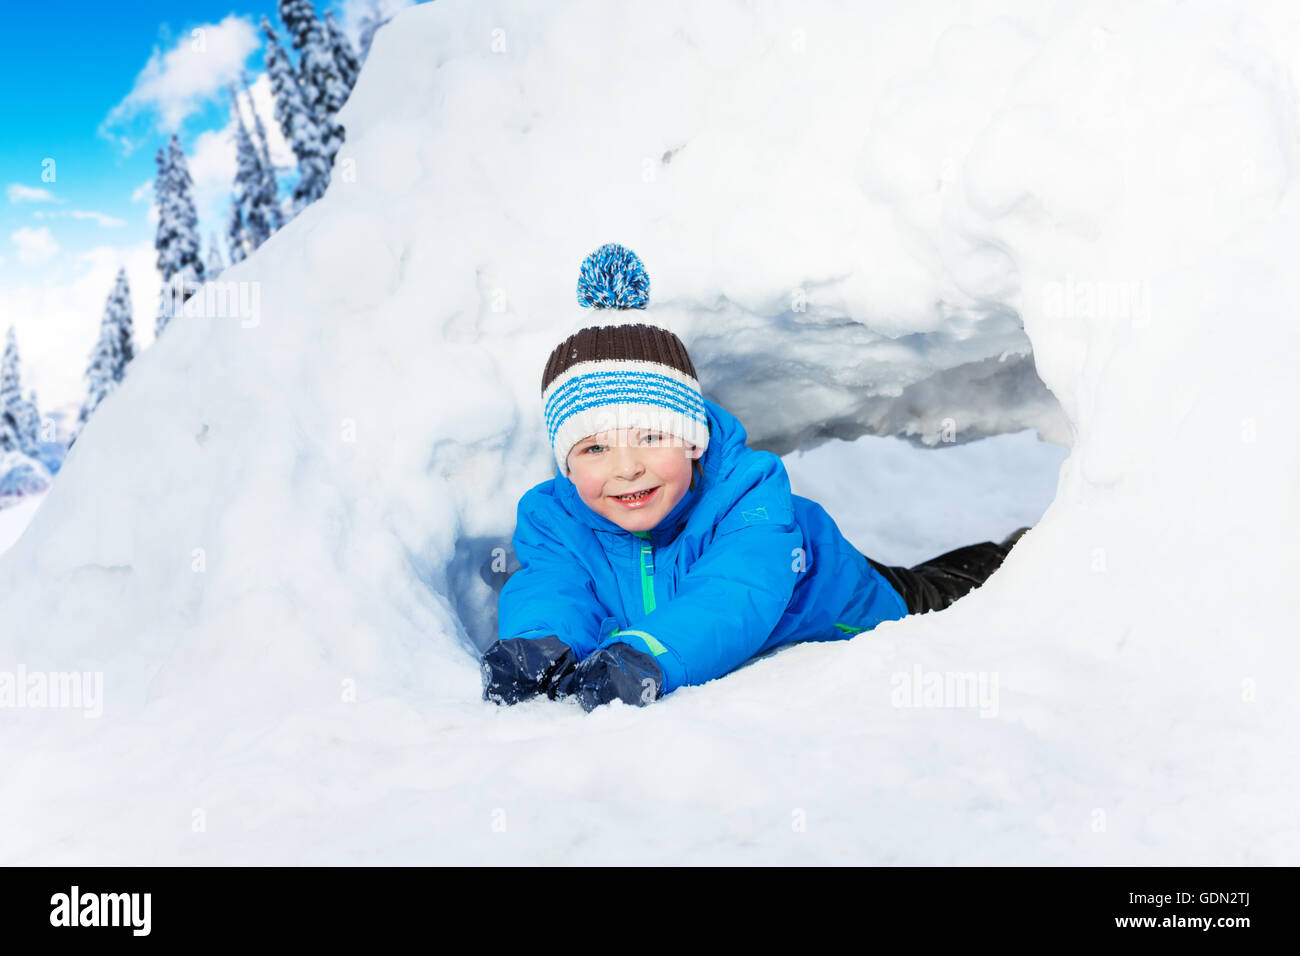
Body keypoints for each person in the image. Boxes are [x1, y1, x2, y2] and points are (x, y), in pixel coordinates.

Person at [481, 243, 1029, 712]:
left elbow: (735, 593)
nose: (627, 467)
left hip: (857, 599)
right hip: (692, 621)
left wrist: (648, 654)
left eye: (651, 438)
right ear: (566, 465)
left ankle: (1025, 551)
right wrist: (538, 644)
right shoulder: (554, 519)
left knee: (950, 588)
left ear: (693, 444)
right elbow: (554, 586)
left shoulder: (747, 493)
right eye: (596, 447)